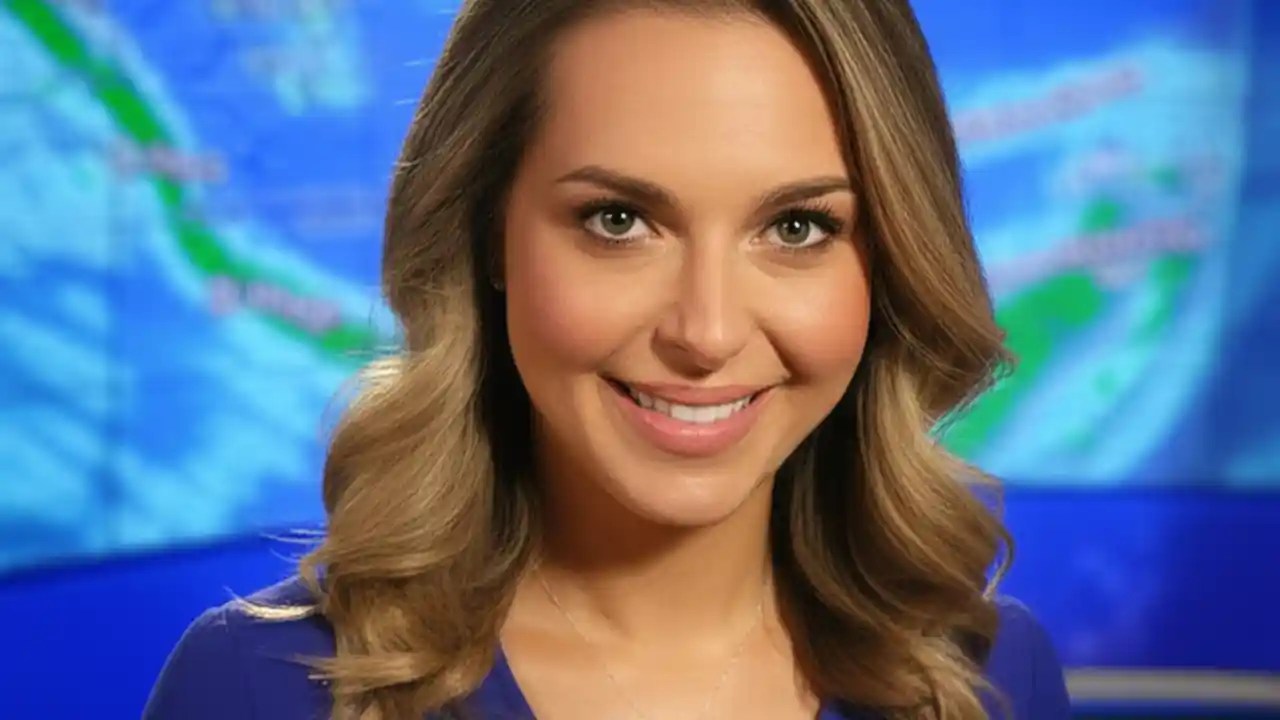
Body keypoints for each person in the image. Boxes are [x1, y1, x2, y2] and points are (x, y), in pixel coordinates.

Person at [144, 1, 1072, 718]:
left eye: (796, 227)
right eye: (618, 221)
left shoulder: (986, 681)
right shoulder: (260, 688)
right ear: (488, 235)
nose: (705, 333)